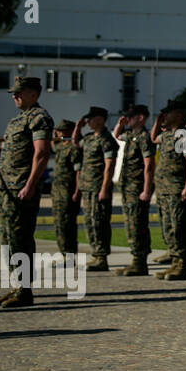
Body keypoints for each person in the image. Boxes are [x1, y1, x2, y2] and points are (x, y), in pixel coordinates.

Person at [0, 77, 53, 308]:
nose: (15, 96)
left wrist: (30, 185)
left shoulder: (39, 118)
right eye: (14, 93)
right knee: (9, 240)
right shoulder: (16, 120)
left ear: (33, 94)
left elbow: (41, 154)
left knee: (20, 239)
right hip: (6, 190)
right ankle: (16, 286)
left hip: (21, 189)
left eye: (19, 93)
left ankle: (24, 290)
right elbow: (4, 155)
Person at [150, 102, 186, 280]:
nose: (164, 117)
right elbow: (154, 139)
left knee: (179, 227)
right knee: (168, 227)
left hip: (177, 188)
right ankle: (174, 263)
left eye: (167, 114)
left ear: (178, 115)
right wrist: (157, 122)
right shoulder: (168, 135)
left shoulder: (182, 135)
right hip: (164, 190)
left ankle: (182, 265)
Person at [113, 104, 156, 276]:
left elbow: (149, 165)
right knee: (130, 224)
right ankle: (136, 260)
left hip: (137, 187)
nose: (128, 119)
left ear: (141, 118)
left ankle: (140, 262)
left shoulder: (145, 137)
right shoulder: (131, 136)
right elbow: (116, 135)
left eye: (131, 117)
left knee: (137, 224)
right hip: (128, 187)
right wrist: (120, 124)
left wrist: (146, 190)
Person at [74, 106, 117, 272]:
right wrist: (78, 127)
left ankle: (101, 257)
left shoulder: (106, 140)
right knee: (90, 222)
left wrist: (105, 188)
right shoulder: (90, 138)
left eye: (90, 119)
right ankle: (96, 254)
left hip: (99, 187)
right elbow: (76, 143)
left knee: (99, 222)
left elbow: (110, 166)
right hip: (87, 187)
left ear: (100, 119)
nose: (88, 122)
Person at [49, 119, 82, 258]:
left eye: (62, 130)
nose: (60, 133)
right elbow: (52, 142)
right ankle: (64, 253)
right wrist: (54, 133)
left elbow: (78, 171)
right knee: (59, 223)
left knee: (67, 224)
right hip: (57, 192)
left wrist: (76, 191)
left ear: (70, 131)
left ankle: (69, 255)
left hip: (68, 191)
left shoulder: (74, 148)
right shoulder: (61, 146)